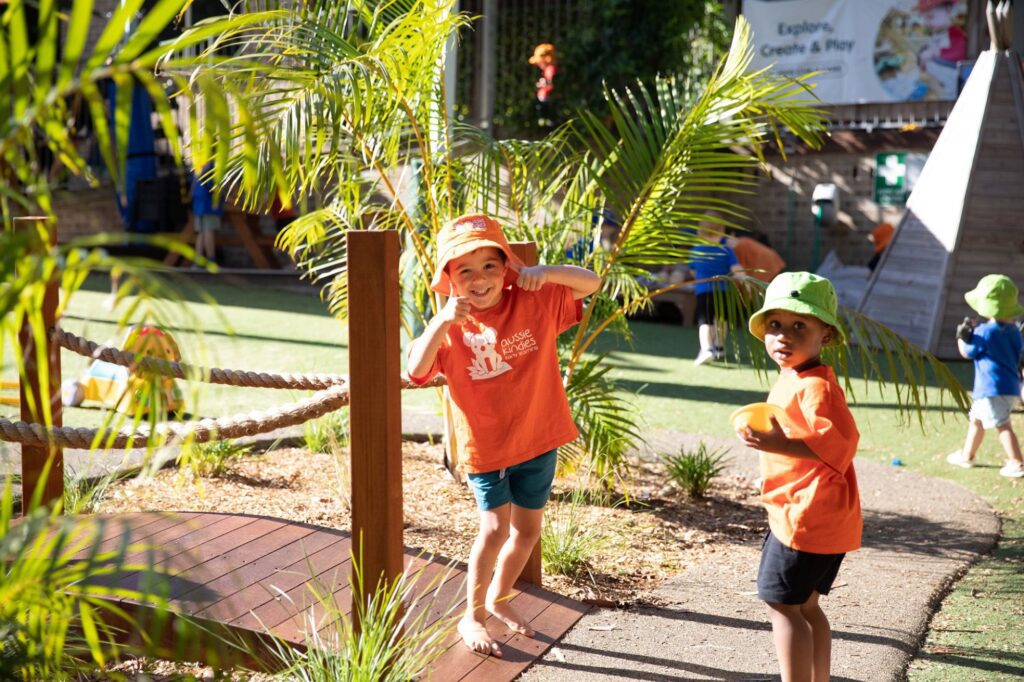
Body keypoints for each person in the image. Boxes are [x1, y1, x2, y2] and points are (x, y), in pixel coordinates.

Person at [407, 213, 601, 657]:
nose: (480, 279)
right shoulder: (451, 326)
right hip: (488, 446)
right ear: (449, 278)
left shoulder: (533, 301)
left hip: (539, 437)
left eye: (490, 266)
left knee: (527, 532)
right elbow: (415, 371)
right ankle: (471, 614)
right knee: (494, 529)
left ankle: (499, 596)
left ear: (507, 267)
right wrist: (440, 323)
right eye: (465, 270)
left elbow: (590, 282)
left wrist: (542, 272)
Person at [735, 271, 861, 682]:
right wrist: (774, 457)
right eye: (775, 325)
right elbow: (798, 440)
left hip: (806, 519)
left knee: (782, 606)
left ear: (825, 336)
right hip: (807, 513)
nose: (783, 336)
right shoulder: (794, 378)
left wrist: (777, 446)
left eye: (798, 326)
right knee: (806, 607)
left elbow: (840, 445)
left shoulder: (817, 388)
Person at [946, 274, 1024, 478]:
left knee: (1002, 424)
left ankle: (1017, 462)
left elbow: (967, 352)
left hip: (991, 388)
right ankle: (967, 455)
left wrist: (962, 337)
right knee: (977, 420)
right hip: (1010, 387)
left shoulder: (985, 332)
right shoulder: (1015, 331)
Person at [689, 220, 743, 365]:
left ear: (700, 232)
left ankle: (707, 349)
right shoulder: (726, 250)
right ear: (722, 232)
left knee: (705, 321)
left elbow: (692, 270)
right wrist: (746, 281)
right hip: (724, 291)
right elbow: (737, 270)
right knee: (722, 320)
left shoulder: (696, 250)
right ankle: (719, 346)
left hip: (703, 291)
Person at [191, 163, 222, 266]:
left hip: (198, 202)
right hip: (209, 203)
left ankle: (198, 261)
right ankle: (211, 260)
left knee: (201, 232)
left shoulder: (199, 163)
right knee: (209, 231)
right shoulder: (212, 164)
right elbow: (213, 185)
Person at [528, 43, 557, 129]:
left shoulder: (550, 69)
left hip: (547, 98)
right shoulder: (548, 69)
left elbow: (552, 83)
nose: (538, 64)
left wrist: (543, 83)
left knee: (546, 112)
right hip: (545, 98)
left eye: (539, 62)